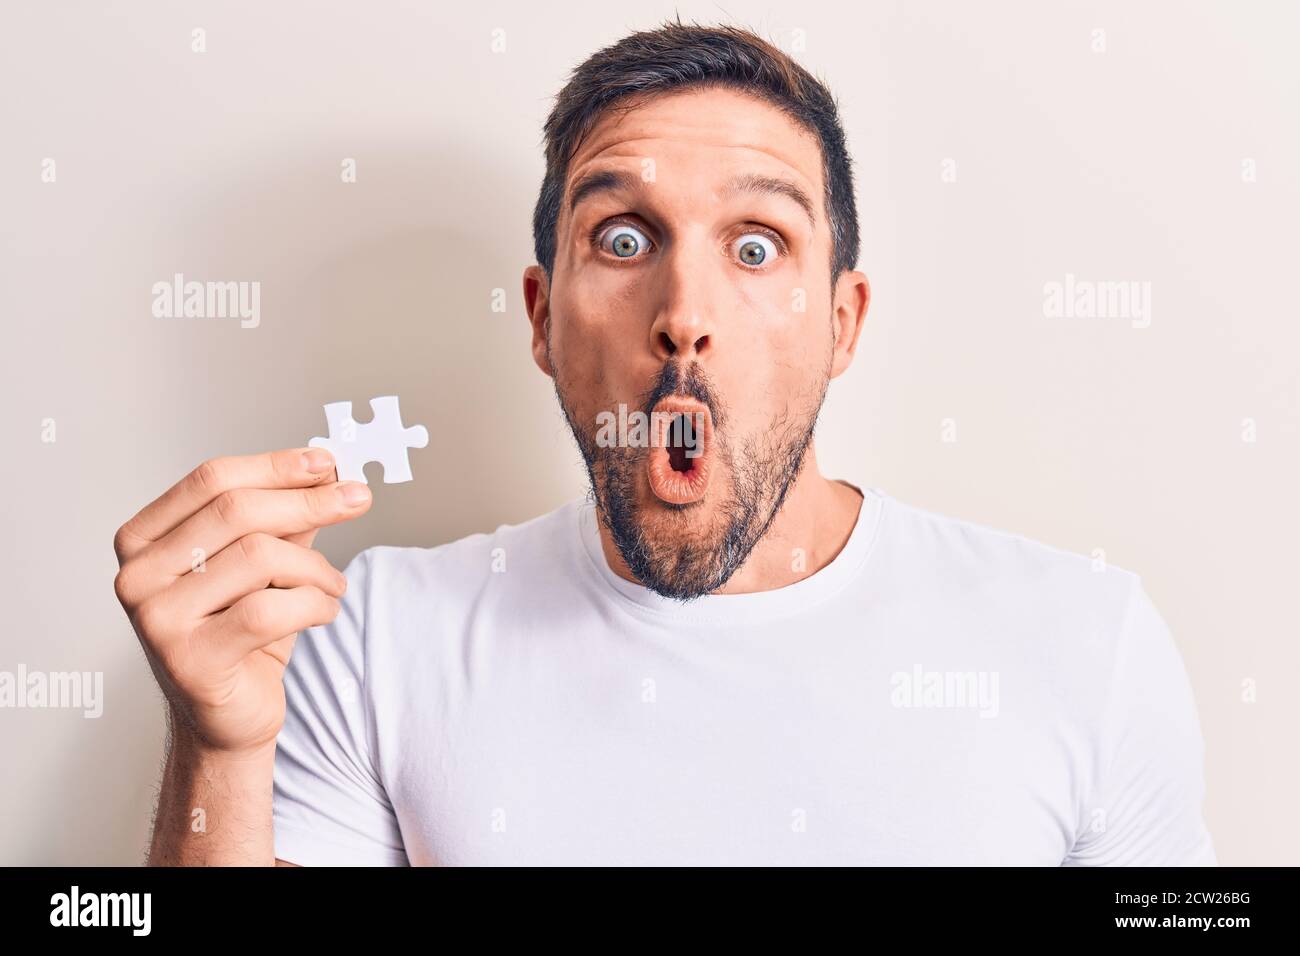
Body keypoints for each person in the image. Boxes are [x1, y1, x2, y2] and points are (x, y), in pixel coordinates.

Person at [114, 20, 1215, 866]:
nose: (683, 308)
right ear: (543, 318)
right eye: (624, 236)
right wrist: (219, 749)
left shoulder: (1085, 642)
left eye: (755, 242)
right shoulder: (378, 636)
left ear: (843, 322)